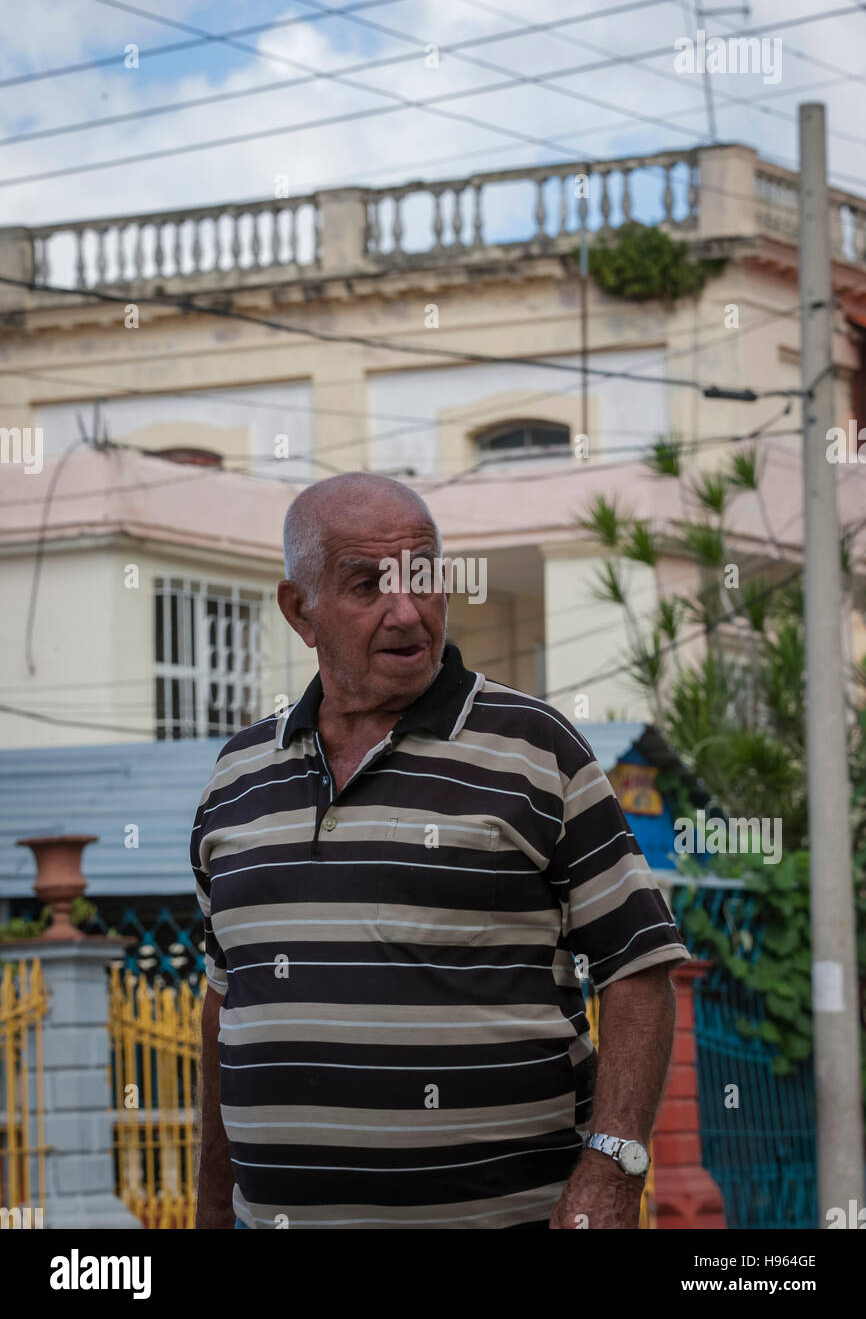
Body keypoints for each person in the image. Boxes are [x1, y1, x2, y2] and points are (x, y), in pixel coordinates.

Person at [191, 472, 689, 1230]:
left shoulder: (534, 748)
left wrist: (614, 1167)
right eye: (367, 585)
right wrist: (210, 1204)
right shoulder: (237, 779)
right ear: (302, 611)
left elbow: (640, 967)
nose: (407, 611)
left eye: (423, 576)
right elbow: (226, 1001)